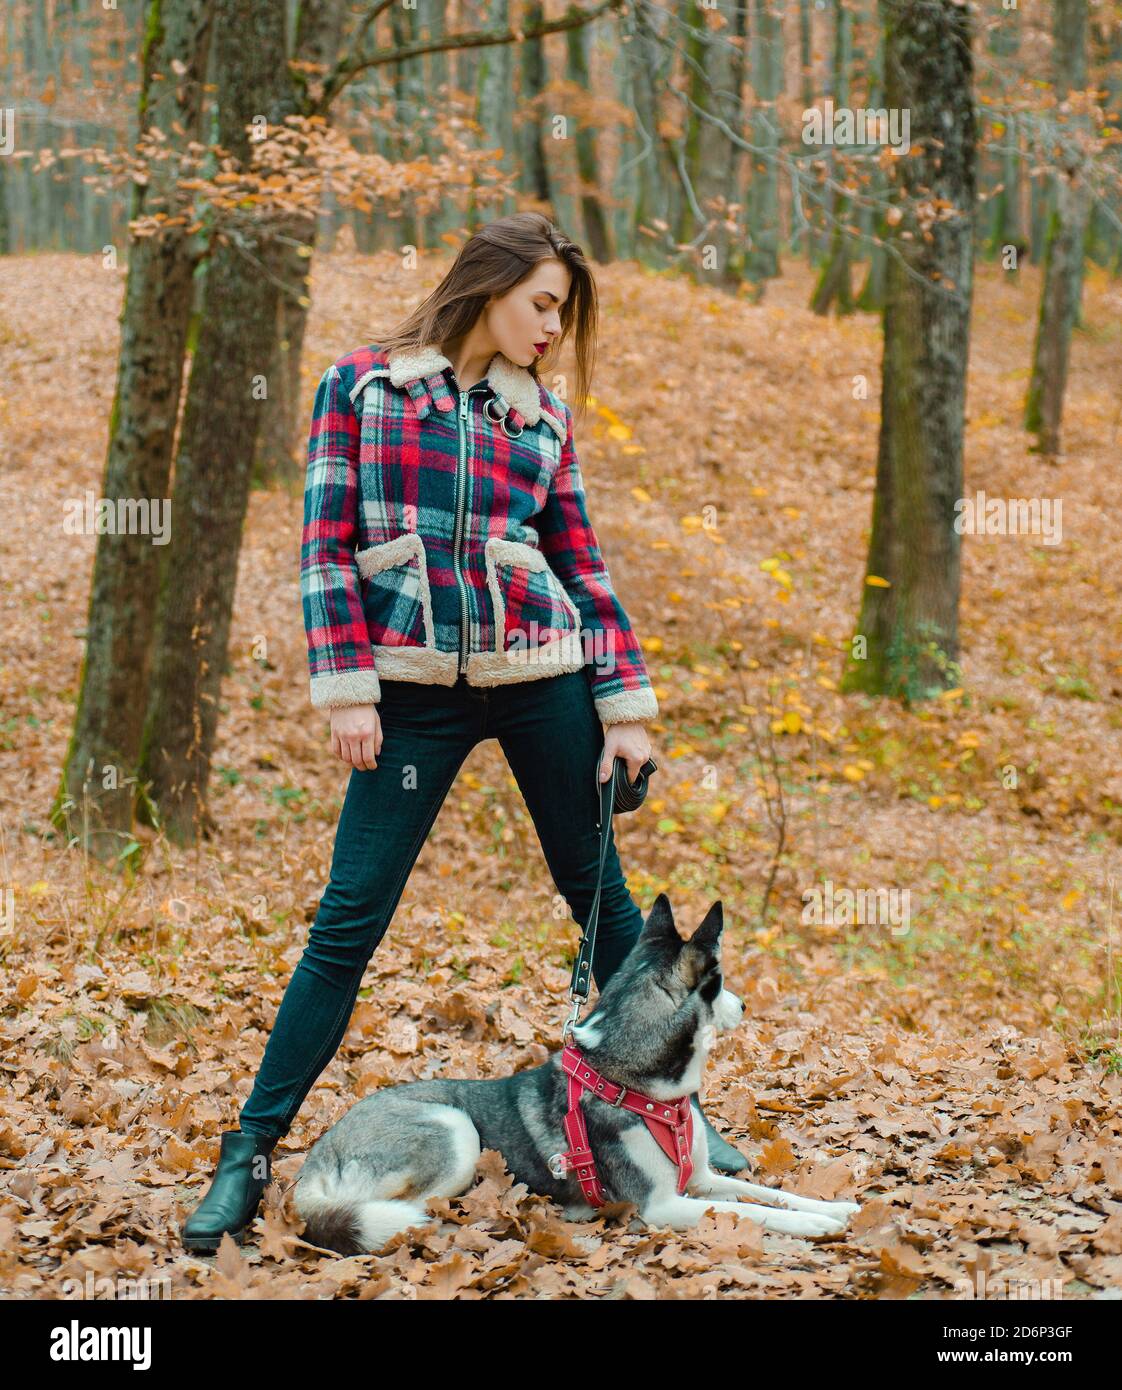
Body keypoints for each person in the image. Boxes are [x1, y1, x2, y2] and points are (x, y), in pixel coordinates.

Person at [182, 212, 747, 1254]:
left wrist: (625, 707)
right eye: (543, 303)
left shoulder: (543, 419)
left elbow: (582, 560)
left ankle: (674, 1119)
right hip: (413, 693)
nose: (552, 327)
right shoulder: (363, 384)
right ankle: (250, 1151)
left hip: (541, 676)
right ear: (485, 286)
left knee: (603, 901)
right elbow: (323, 538)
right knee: (348, 920)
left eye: (563, 312)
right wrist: (348, 685)